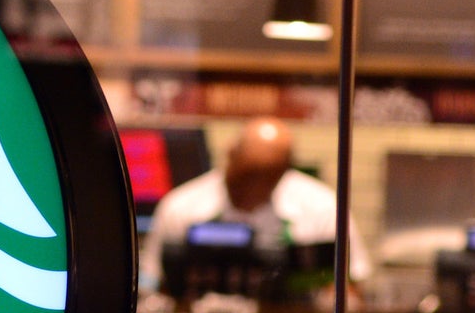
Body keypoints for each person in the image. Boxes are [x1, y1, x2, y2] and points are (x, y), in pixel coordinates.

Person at [139, 116, 372, 295]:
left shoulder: (322, 209)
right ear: (230, 155)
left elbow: (349, 289)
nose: (252, 188)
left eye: (265, 177)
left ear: (285, 170)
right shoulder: (182, 207)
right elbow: (155, 285)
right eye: (245, 176)